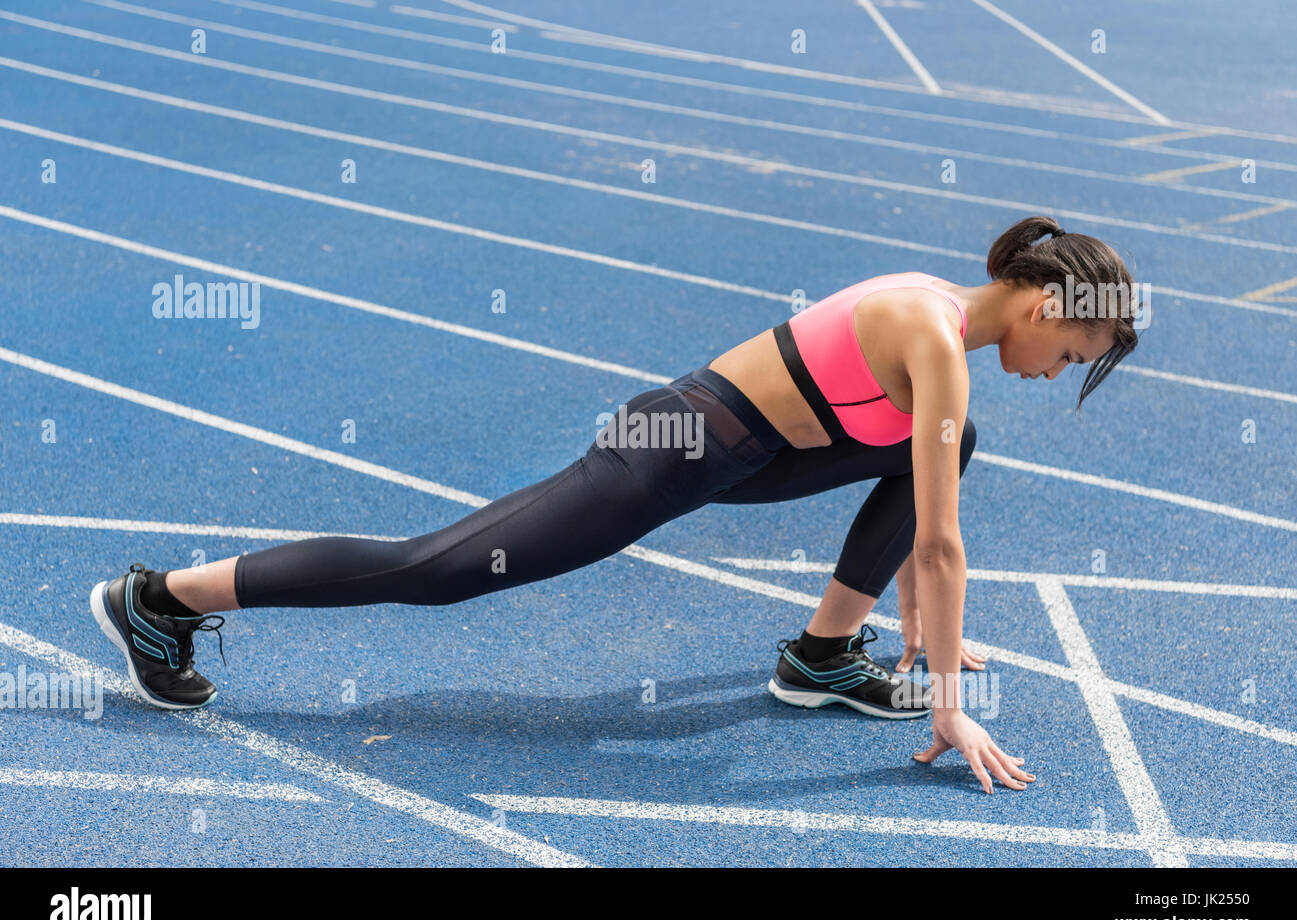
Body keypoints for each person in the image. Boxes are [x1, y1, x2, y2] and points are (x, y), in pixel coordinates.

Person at [91, 215, 1139, 794]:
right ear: (1046, 305)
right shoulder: (932, 332)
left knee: (950, 453)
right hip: (673, 448)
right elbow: (943, 546)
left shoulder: (943, 330)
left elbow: (929, 488)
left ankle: (821, 657)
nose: (1054, 372)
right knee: (438, 570)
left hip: (749, 454)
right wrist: (947, 699)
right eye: (1073, 354)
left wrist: (918, 631)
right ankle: (162, 597)